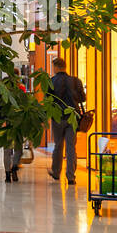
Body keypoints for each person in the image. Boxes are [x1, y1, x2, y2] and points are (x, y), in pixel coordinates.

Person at [47, 57, 87, 185]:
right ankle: (71, 176)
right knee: (71, 147)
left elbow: (49, 100)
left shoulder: (52, 81)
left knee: (58, 146)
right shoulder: (75, 81)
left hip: (58, 117)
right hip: (73, 117)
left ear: (56, 67)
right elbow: (83, 98)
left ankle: (56, 172)